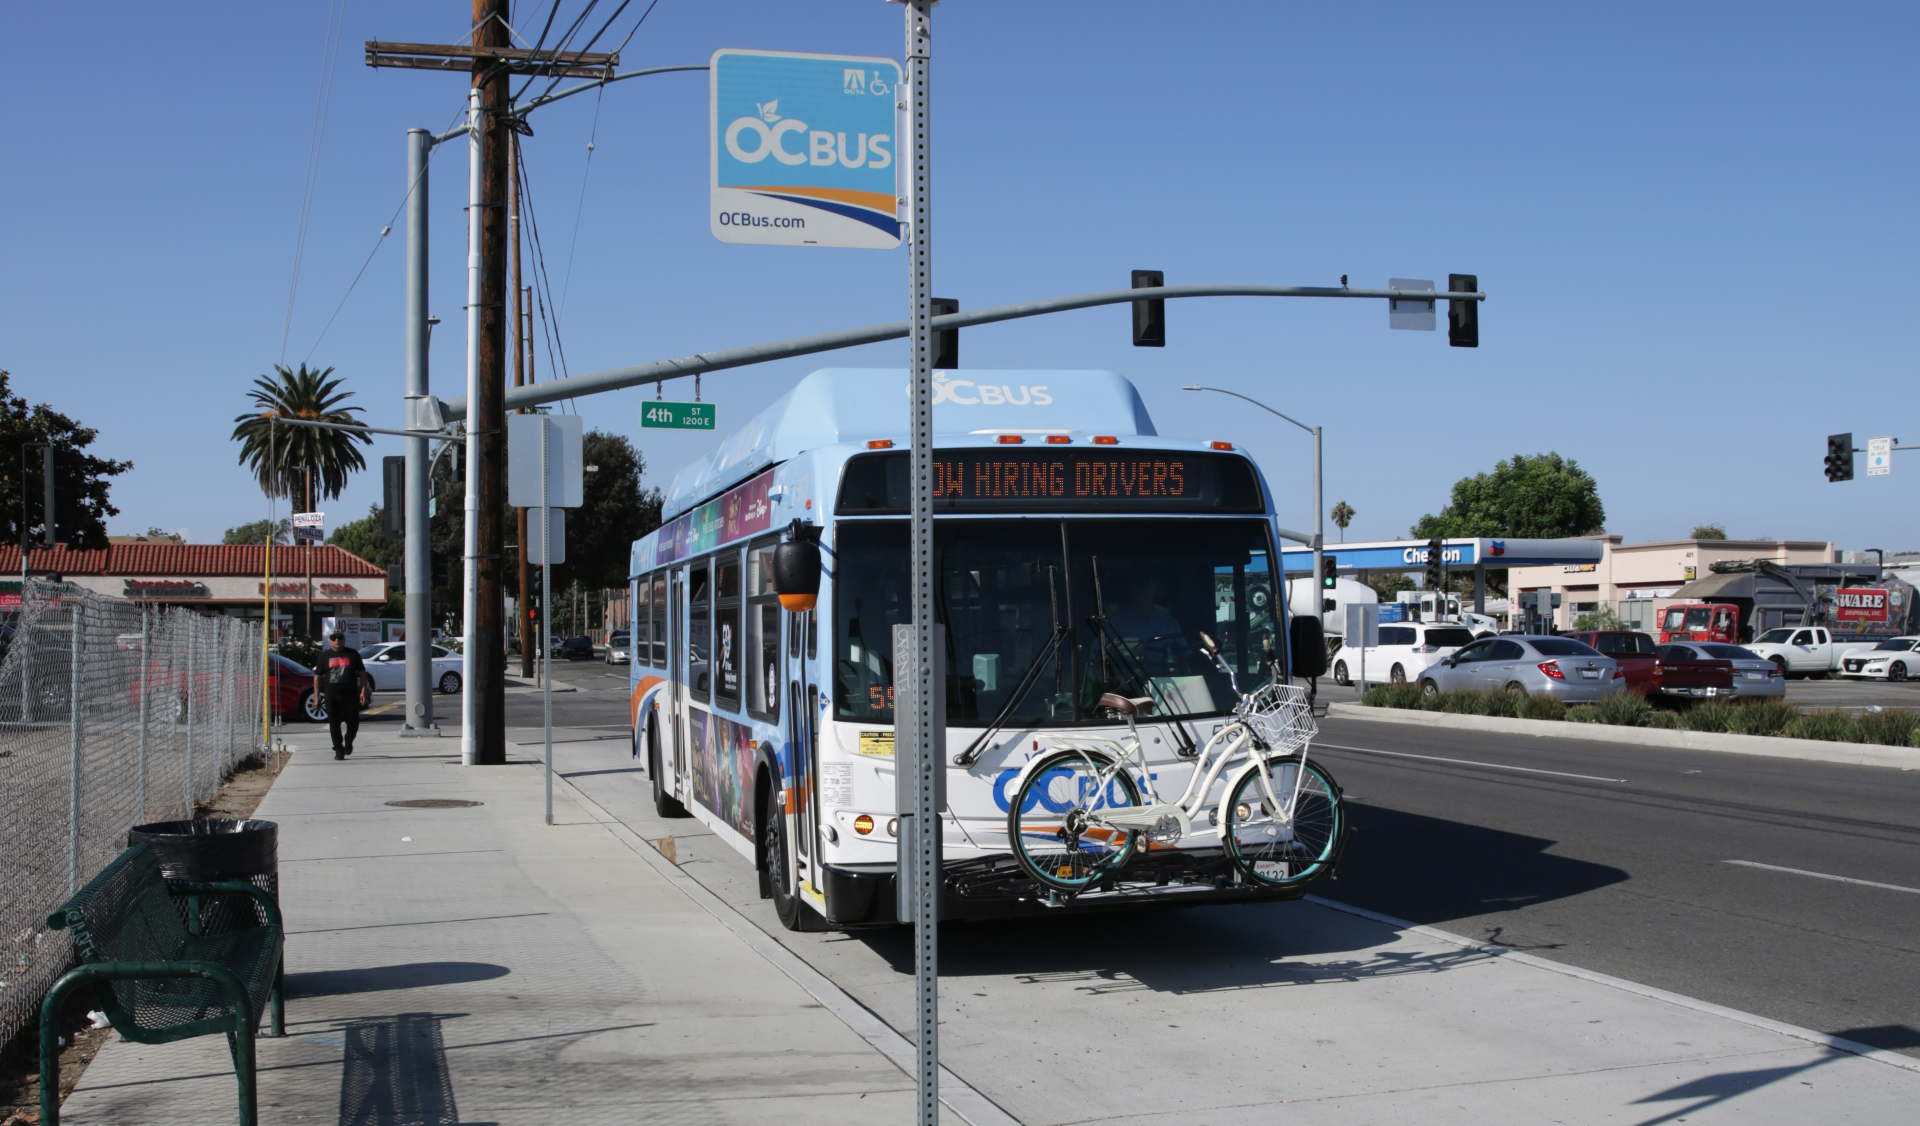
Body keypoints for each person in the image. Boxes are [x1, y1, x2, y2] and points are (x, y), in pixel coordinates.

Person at [321, 631, 371, 760]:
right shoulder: (324, 656)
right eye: (334, 638)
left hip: (350, 695)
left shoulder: (353, 654)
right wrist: (316, 696)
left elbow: (362, 673)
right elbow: (317, 676)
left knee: (353, 721)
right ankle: (338, 749)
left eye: (340, 638)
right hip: (331, 696)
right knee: (334, 723)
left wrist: (363, 690)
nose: (337, 640)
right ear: (330, 641)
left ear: (344, 640)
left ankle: (348, 740)